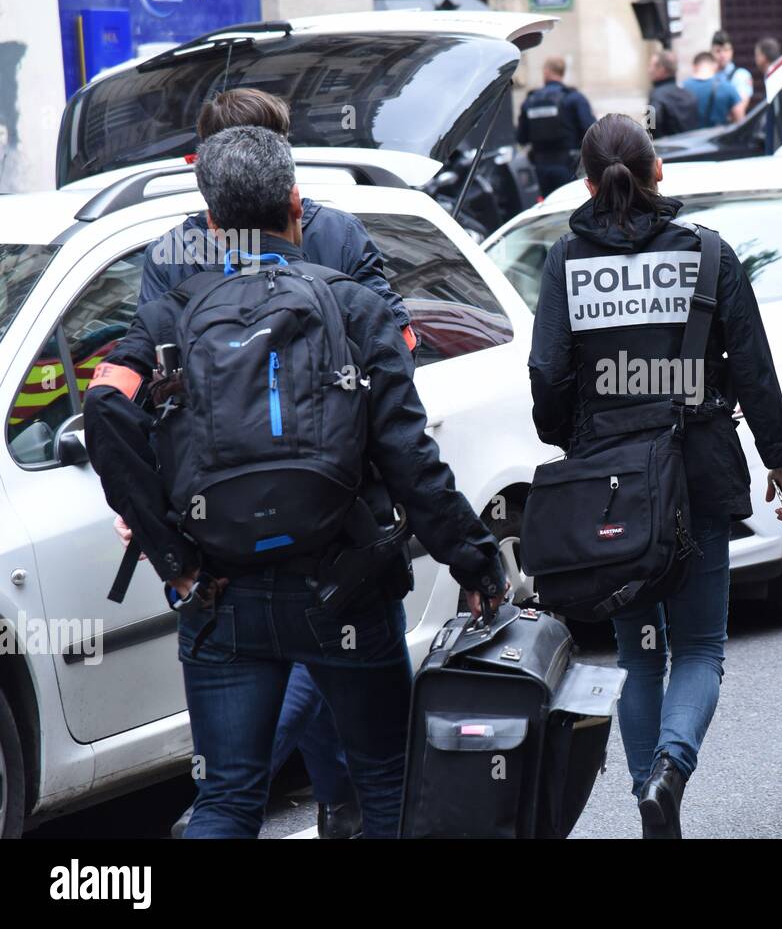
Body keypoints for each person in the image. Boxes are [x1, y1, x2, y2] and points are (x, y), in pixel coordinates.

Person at [83, 126, 507, 839]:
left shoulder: (168, 317)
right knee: (386, 786)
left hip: (220, 595)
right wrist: (474, 557)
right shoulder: (356, 307)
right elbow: (409, 456)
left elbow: (104, 407)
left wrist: (175, 560)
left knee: (226, 800)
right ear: (295, 206)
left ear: (209, 220)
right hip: (344, 584)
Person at [135, 87, 416, 841]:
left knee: (232, 787)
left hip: (220, 547)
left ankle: (331, 805)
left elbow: (136, 406)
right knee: (377, 753)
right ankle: (341, 805)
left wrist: (165, 538)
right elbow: (400, 365)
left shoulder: (172, 258)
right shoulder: (338, 237)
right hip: (340, 535)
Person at [527, 114, 782, 838]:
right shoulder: (708, 255)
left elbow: (548, 374)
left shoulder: (565, 264)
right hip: (696, 474)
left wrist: (574, 437)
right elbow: (754, 370)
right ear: (659, 174)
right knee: (701, 647)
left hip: (610, 484)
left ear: (587, 184)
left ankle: (650, 794)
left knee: (637, 651)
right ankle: (670, 777)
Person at [141, 88, 413, 349]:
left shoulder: (172, 251)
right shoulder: (338, 231)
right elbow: (394, 336)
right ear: (281, 151)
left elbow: (152, 353)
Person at [517, 55, 597, 196]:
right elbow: (592, 132)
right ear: (562, 72)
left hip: (539, 170)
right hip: (568, 168)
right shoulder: (574, 98)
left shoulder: (530, 100)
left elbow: (521, 138)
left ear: (546, 71)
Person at [646, 50, 700, 139]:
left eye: (651, 66)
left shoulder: (655, 97)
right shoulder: (690, 95)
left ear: (662, 70)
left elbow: (649, 130)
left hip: (666, 151)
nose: (649, 70)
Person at [682, 52, 743, 130]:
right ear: (715, 65)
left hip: (688, 140)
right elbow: (740, 120)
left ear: (694, 66)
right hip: (717, 140)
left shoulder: (681, 88)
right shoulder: (728, 87)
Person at [711, 30, 754, 110]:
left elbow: (741, 106)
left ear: (732, 51)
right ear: (712, 52)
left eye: (726, 50)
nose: (722, 55)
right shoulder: (709, 76)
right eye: (718, 51)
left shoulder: (741, 75)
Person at [749, 36, 782, 114]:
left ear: (763, 57)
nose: (755, 59)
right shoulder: (775, 74)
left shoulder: (773, 77)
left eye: (757, 55)